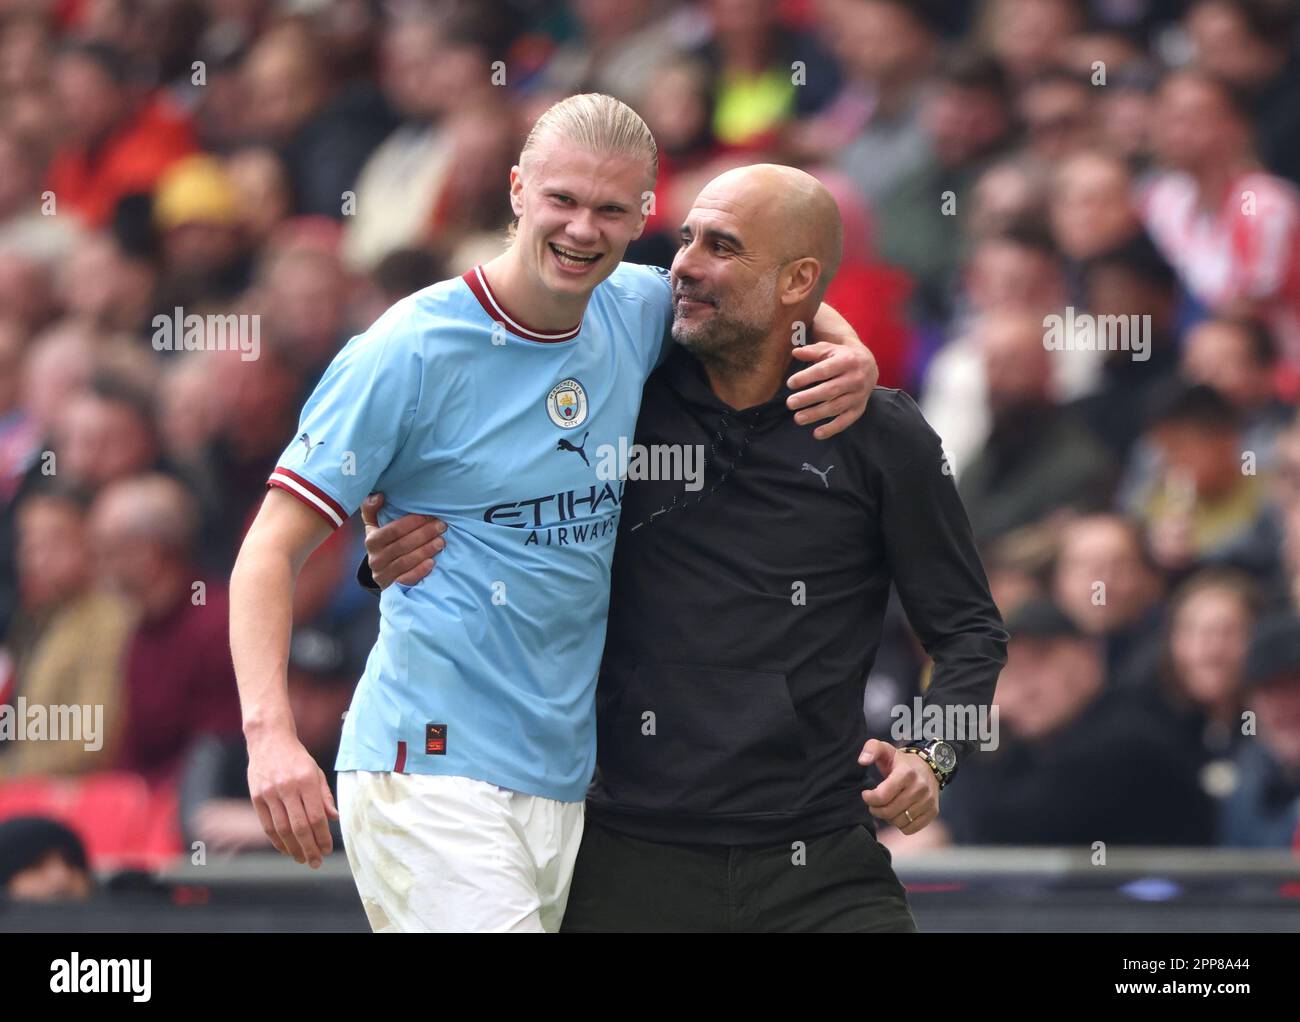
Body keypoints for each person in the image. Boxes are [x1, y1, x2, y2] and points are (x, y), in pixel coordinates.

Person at [229, 94, 875, 933]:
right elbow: (268, 552)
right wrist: (270, 738)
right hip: (428, 763)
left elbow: (758, 288)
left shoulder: (638, 308)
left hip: (565, 781)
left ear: (645, 214)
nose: (582, 230)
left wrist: (848, 346)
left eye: (611, 209)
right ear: (516, 191)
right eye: (563, 200)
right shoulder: (408, 349)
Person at [365, 163, 1007, 932]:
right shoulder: (618, 394)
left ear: (799, 279)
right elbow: (488, 489)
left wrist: (933, 756)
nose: (684, 264)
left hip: (820, 865)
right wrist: (391, 548)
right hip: (626, 859)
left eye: (723, 246)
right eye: (686, 238)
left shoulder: (879, 432)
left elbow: (969, 630)